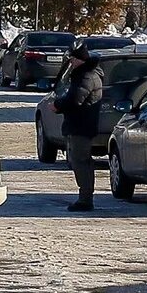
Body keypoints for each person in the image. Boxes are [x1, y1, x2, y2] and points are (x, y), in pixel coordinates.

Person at [52, 48, 107, 211]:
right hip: (82, 124)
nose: (71, 62)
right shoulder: (87, 74)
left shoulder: (86, 76)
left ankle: (85, 199)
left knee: (80, 161)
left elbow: (75, 99)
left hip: (81, 125)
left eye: (73, 59)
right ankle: (85, 196)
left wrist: (57, 105)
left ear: (79, 60)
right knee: (81, 161)